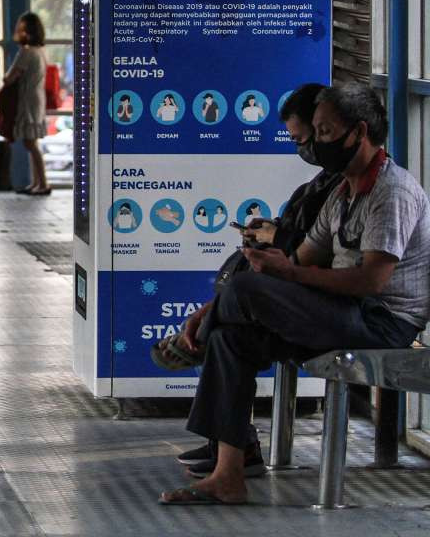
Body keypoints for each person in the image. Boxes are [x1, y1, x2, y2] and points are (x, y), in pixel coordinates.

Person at [160, 82, 430, 505]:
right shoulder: (342, 192)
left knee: (247, 290)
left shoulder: (391, 192)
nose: (318, 145)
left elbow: (371, 281)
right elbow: (302, 257)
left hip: (381, 322)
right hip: (341, 311)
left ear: (358, 132)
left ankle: (193, 343)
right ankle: (229, 474)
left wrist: (286, 276)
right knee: (232, 336)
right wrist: (227, 297)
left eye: (324, 133)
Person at [158, 83, 342, 478]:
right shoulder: (321, 185)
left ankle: (202, 333)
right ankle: (234, 451)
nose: (305, 148)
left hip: (326, 305)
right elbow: (302, 248)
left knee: (233, 306)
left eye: (306, 138)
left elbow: (331, 259)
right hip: (298, 293)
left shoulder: (360, 189)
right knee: (228, 335)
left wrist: (278, 240)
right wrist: (272, 237)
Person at [4, 12, 50, 195]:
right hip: (37, 99)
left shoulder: (26, 52)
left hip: (28, 101)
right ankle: (37, 182)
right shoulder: (40, 51)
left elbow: (10, 78)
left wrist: (6, 77)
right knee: (32, 144)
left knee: (31, 144)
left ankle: (43, 183)